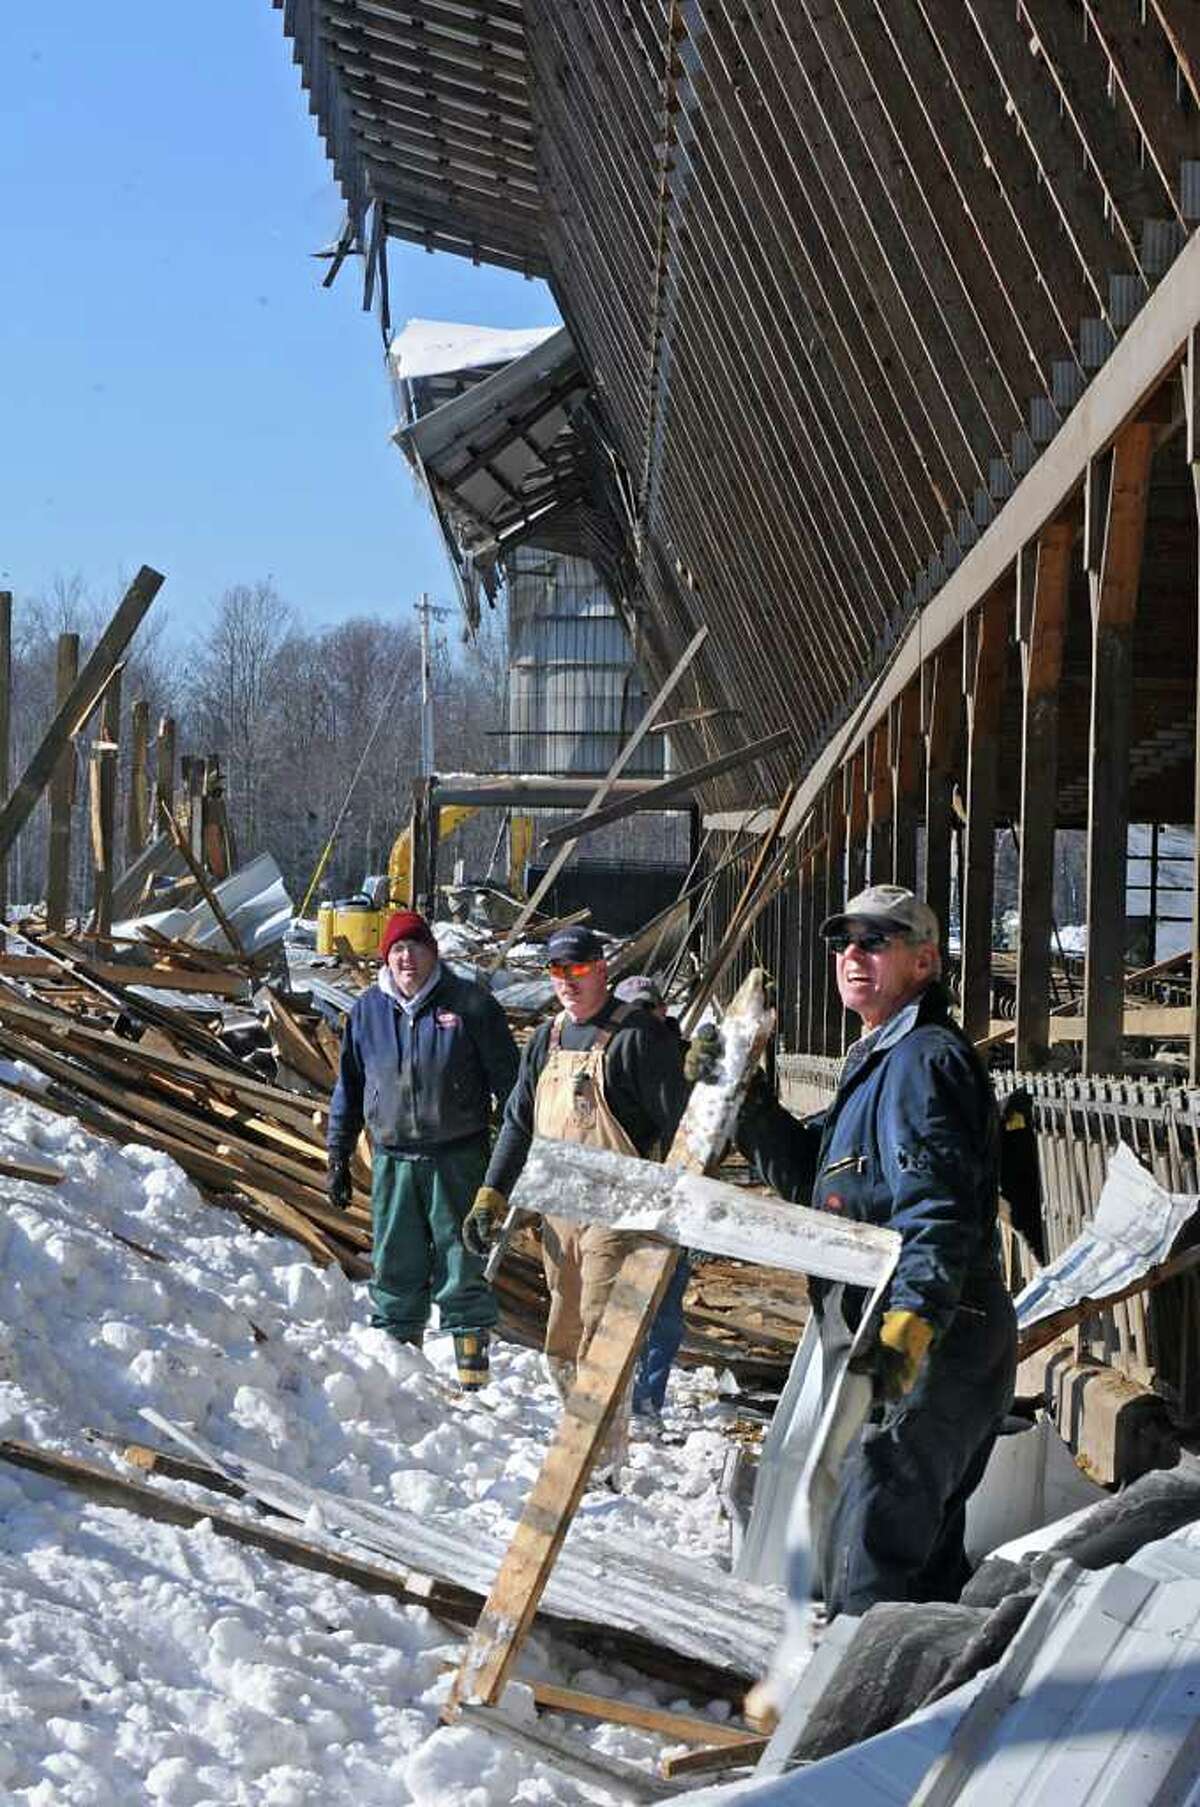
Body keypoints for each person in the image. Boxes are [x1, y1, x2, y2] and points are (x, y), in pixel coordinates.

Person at [728, 884, 1017, 1618]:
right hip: (902, 1327)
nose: (853, 955)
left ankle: (857, 1686)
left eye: (875, 940)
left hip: (927, 1333)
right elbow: (815, 1179)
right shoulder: (880, 1061)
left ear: (924, 961)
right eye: (843, 942)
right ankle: (910, 1683)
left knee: (872, 1549)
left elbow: (936, 1208)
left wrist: (911, 1324)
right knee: (907, 1562)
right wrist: (746, 1102)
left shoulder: (922, 1062)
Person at [462, 928, 690, 1458]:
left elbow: (682, 1128)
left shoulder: (636, 1038)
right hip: (559, 1210)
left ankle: (598, 1458)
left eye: (579, 969)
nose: (568, 981)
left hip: (619, 1213)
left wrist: (679, 1209)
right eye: (557, 971)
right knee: (560, 1347)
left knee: (599, 1335)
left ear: (602, 969)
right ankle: (588, 1438)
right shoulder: (547, 1039)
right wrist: (491, 1192)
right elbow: (518, 1123)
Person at [327, 908, 519, 1389]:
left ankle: (473, 1383)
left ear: (433, 952)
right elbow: (349, 1086)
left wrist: (507, 1160)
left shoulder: (470, 1005)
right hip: (393, 1161)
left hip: (459, 1160)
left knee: (463, 1265)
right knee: (395, 1266)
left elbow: (513, 1089)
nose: (406, 958)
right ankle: (400, 1380)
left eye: (415, 947)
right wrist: (338, 1152)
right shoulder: (368, 1011)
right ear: (385, 958)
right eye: (397, 949)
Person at [612, 974, 691, 1430]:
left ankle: (647, 1402)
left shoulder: (684, 1060)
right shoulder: (607, 1056)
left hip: (671, 1199)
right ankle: (614, 1399)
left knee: (665, 1311)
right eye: (632, 1011)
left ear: (662, 1011)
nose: (642, 1020)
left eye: (648, 1009)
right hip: (619, 1198)